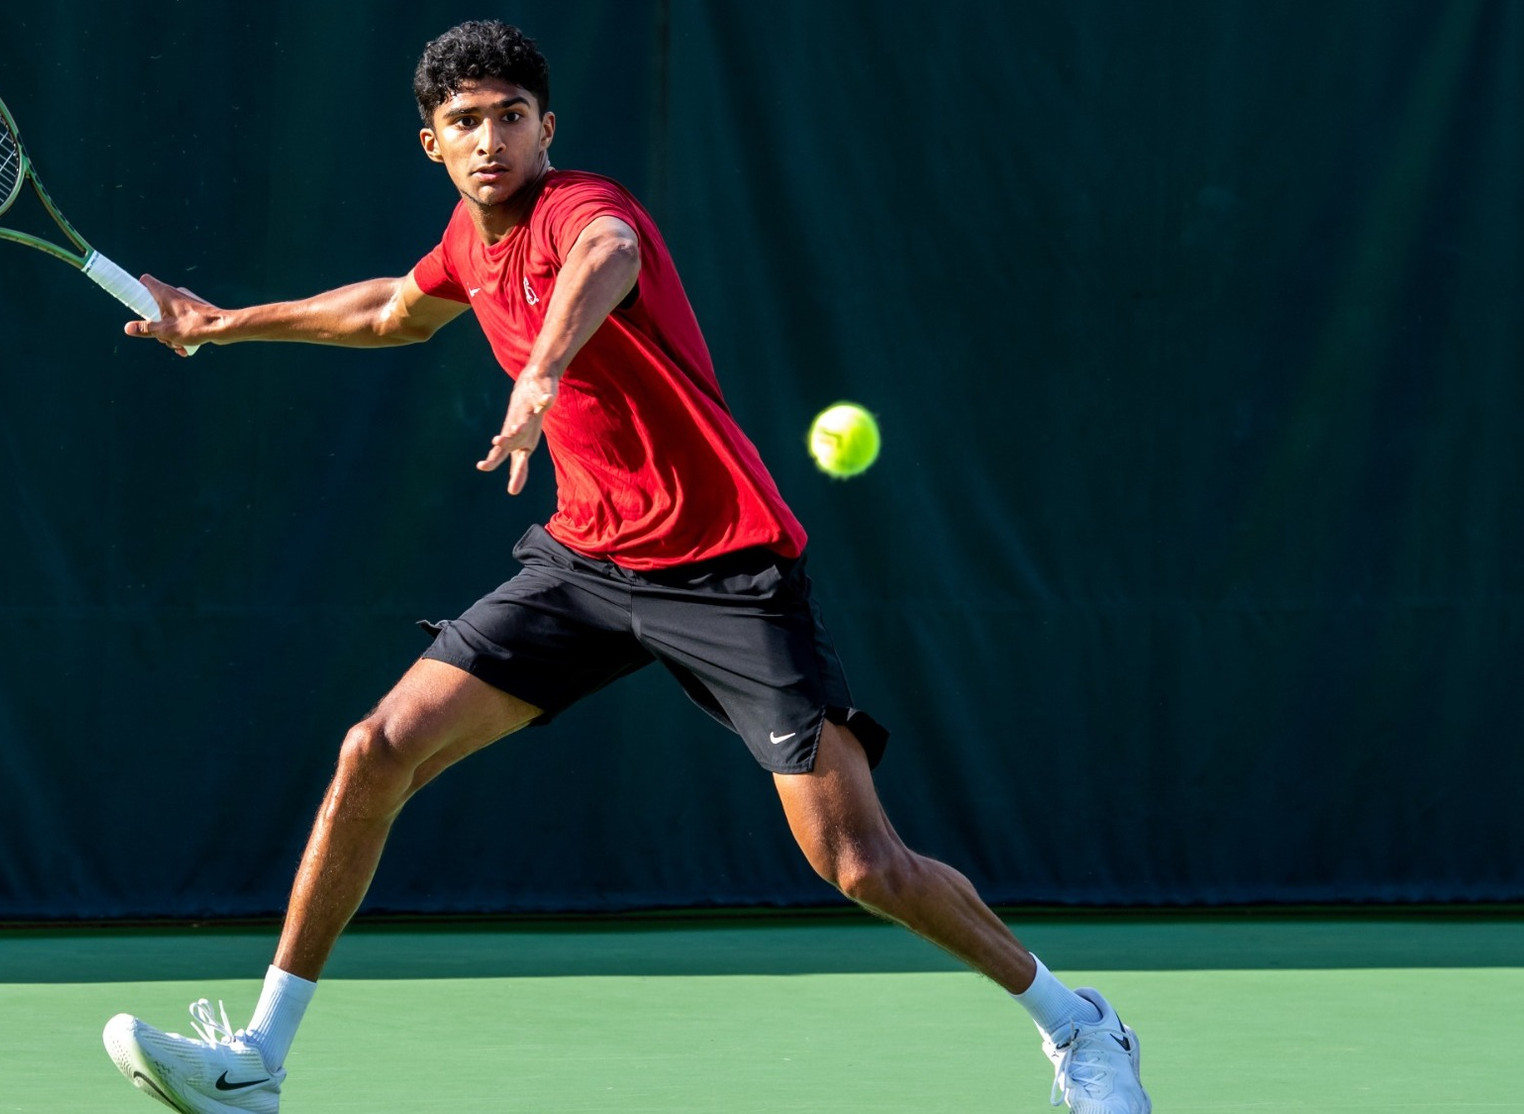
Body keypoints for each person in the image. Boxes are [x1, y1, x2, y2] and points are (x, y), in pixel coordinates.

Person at [101, 20, 1151, 1114]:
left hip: (727, 568)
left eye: (512, 116)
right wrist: (222, 323)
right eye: (466, 122)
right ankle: (258, 1058)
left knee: (859, 863)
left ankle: (1081, 1026)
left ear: (547, 126)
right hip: (586, 563)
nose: (491, 139)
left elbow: (609, 257)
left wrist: (545, 368)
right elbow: (392, 310)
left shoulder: (580, 209)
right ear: (434, 144)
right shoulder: (470, 238)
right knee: (375, 750)